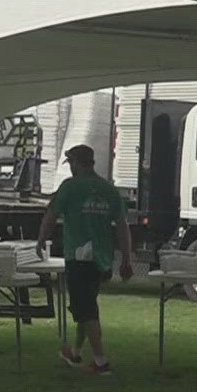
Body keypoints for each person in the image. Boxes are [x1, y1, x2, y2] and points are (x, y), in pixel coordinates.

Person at [36, 144, 132, 374]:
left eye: (70, 163)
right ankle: (76, 352)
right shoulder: (108, 189)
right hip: (101, 257)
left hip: (78, 257)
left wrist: (40, 240)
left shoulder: (70, 187)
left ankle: (101, 362)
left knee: (87, 311)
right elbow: (122, 227)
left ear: (76, 163)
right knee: (86, 304)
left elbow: (51, 216)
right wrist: (126, 259)